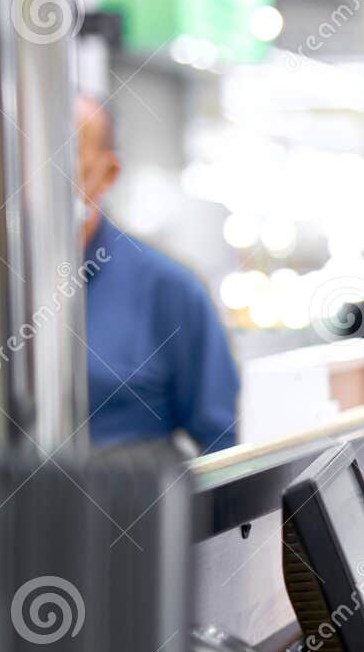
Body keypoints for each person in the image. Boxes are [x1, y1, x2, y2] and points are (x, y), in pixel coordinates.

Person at [75, 96, 240, 454]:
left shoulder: (170, 291)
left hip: (126, 490)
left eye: (65, 155)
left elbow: (221, 443)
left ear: (108, 174)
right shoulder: (14, 289)